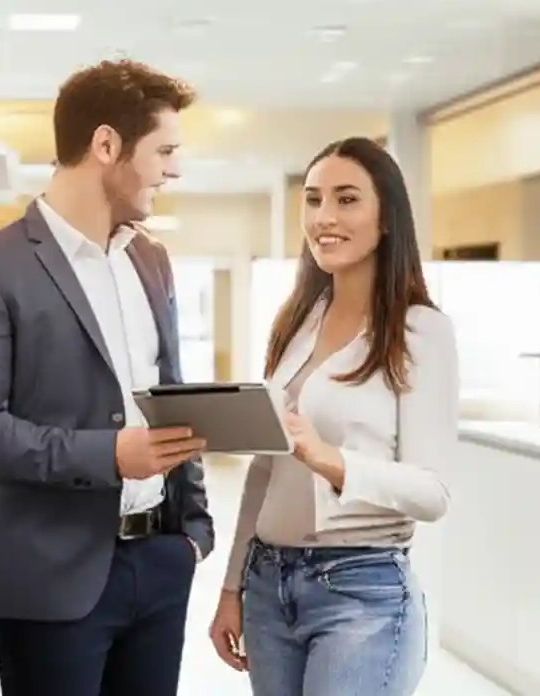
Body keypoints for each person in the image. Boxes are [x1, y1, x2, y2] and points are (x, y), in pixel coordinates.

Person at [0, 59, 213, 696]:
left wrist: (192, 535)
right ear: (107, 145)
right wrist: (109, 455)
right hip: (50, 582)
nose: (175, 169)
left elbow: (172, 392)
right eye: (164, 150)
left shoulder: (152, 260)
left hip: (160, 563)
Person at [208, 137, 457, 696]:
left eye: (347, 200)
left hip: (360, 592)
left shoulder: (421, 332)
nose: (325, 217)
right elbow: (266, 469)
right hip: (269, 586)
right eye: (314, 200)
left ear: (386, 217)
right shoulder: (297, 321)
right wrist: (232, 586)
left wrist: (331, 460)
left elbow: (433, 492)